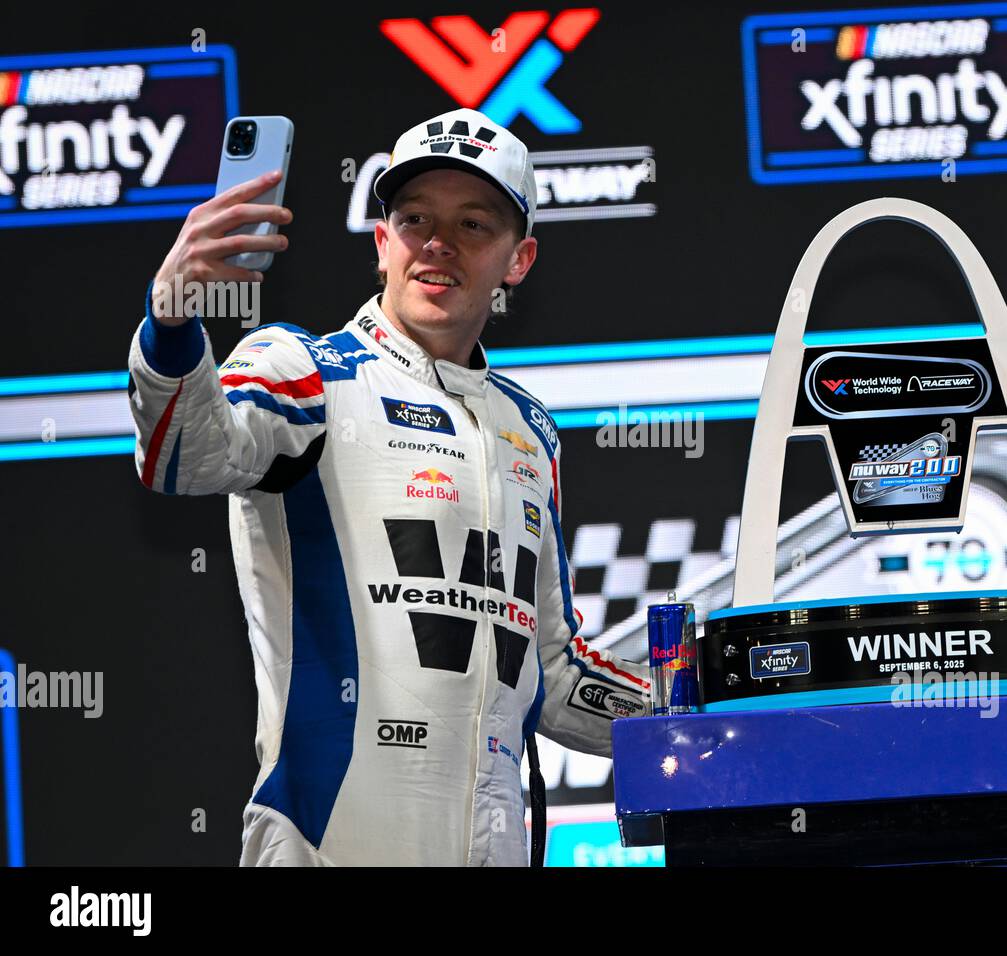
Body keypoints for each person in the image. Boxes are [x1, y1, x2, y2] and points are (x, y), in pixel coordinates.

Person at [127, 108, 651, 866]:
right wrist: (172, 318)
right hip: (329, 839)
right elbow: (184, 456)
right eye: (415, 220)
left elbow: (552, 670)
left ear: (519, 259)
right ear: (382, 245)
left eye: (474, 224)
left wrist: (692, 701)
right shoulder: (303, 370)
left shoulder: (529, 430)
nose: (438, 243)